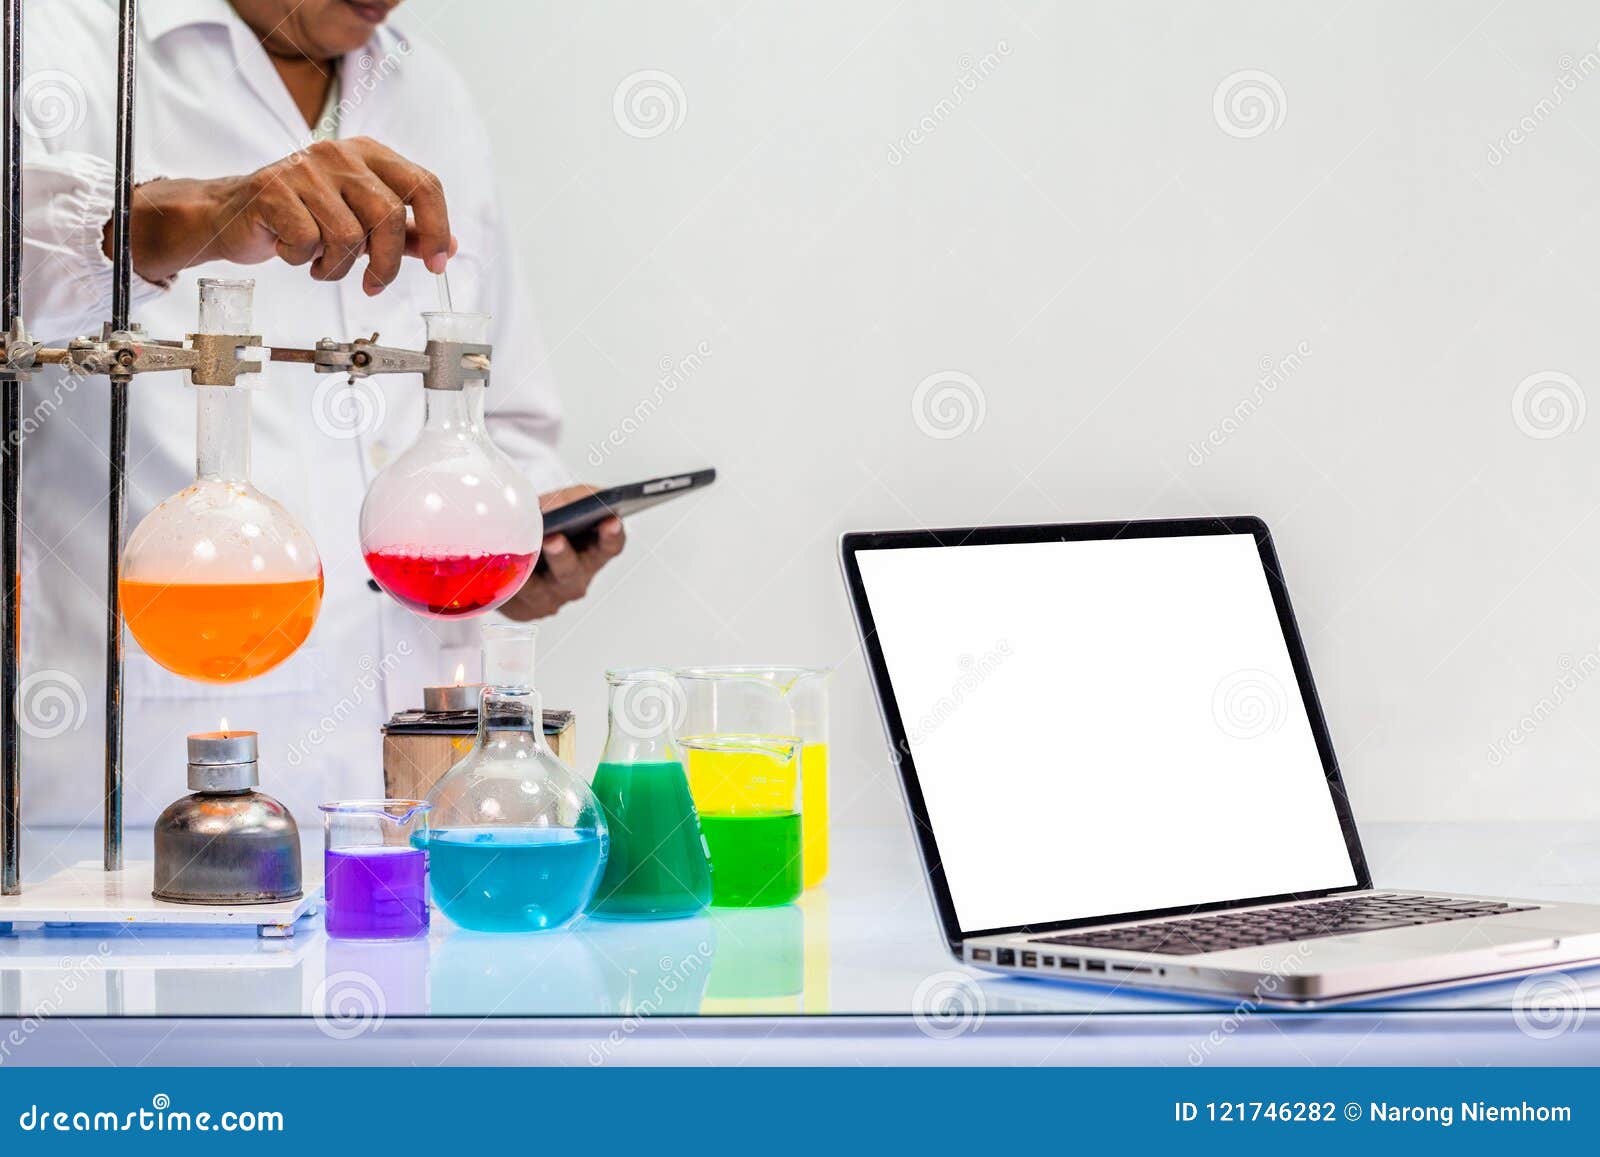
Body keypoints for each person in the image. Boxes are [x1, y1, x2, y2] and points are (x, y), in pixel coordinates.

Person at [17, 0, 622, 828]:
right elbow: (16, 262)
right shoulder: (61, 37)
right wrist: (201, 215)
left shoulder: (428, 89)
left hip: (427, 786)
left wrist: (521, 543)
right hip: (133, 784)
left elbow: (506, 414)